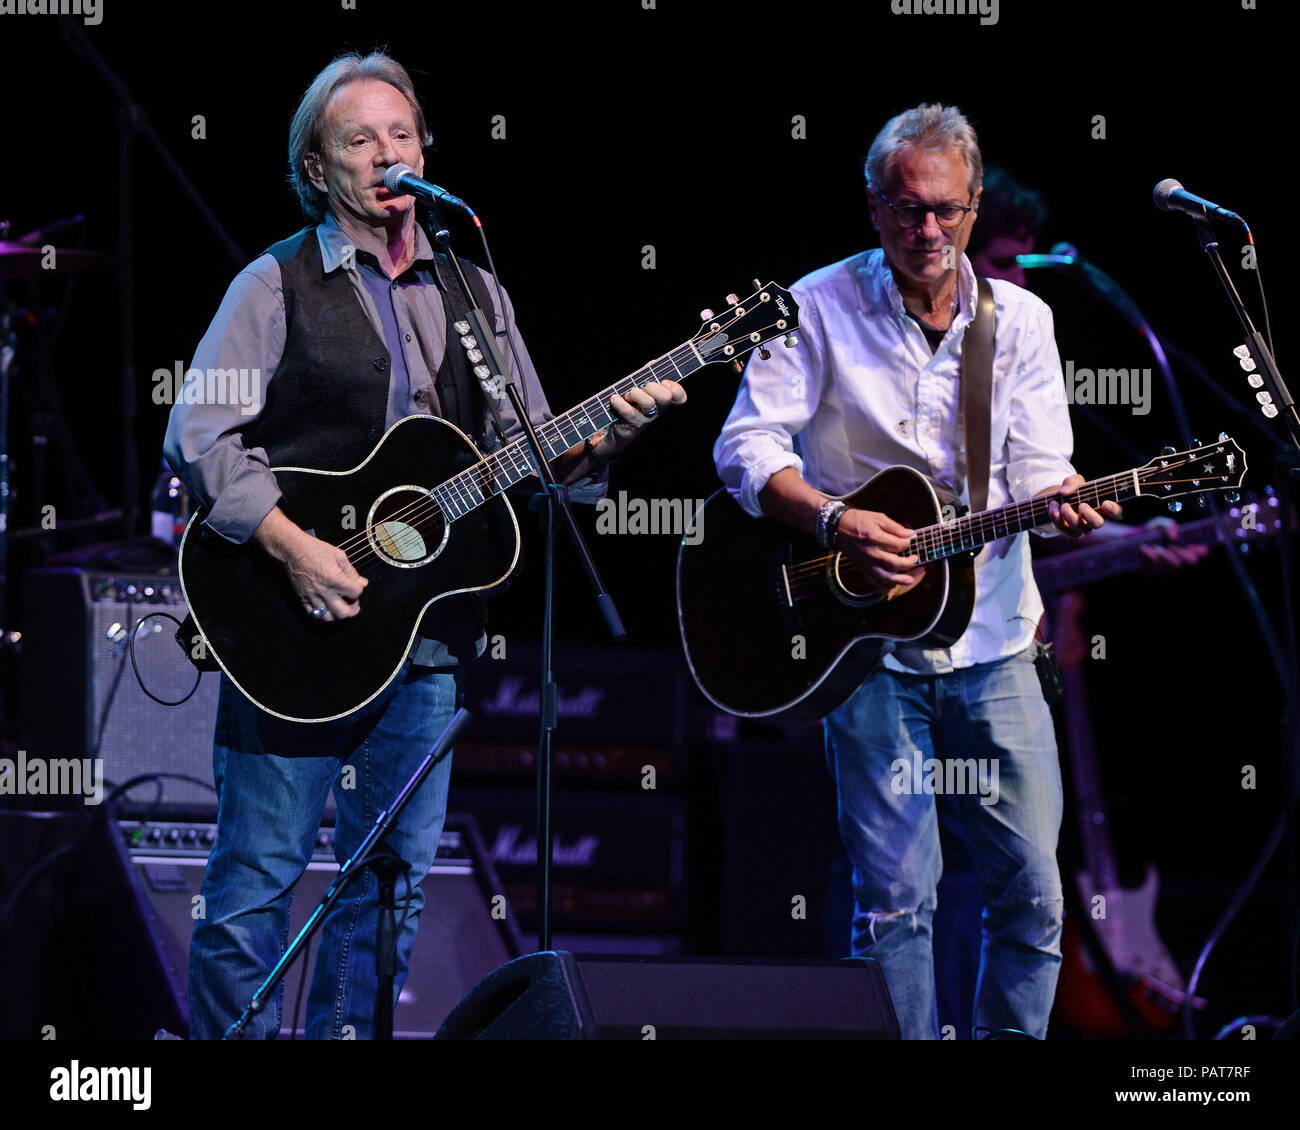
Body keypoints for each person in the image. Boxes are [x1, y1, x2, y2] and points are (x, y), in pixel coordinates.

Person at [163, 51, 684, 1040]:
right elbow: (199, 436)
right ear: (317, 169)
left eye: (402, 135)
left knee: (388, 887)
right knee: (255, 879)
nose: (387, 155)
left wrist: (610, 431)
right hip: (289, 630)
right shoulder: (273, 285)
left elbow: (531, 453)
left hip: (426, 644)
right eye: (359, 140)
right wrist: (293, 546)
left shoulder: (474, 289)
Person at [713, 103, 1120, 1040]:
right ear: (873, 207)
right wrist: (834, 517)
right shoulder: (814, 305)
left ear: (975, 208)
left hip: (994, 642)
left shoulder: (1021, 321)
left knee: (1034, 901)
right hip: (866, 653)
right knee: (896, 906)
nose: (926, 230)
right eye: (905, 210)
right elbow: (744, 446)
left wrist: (1064, 500)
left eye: (944, 210)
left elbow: (1034, 474)